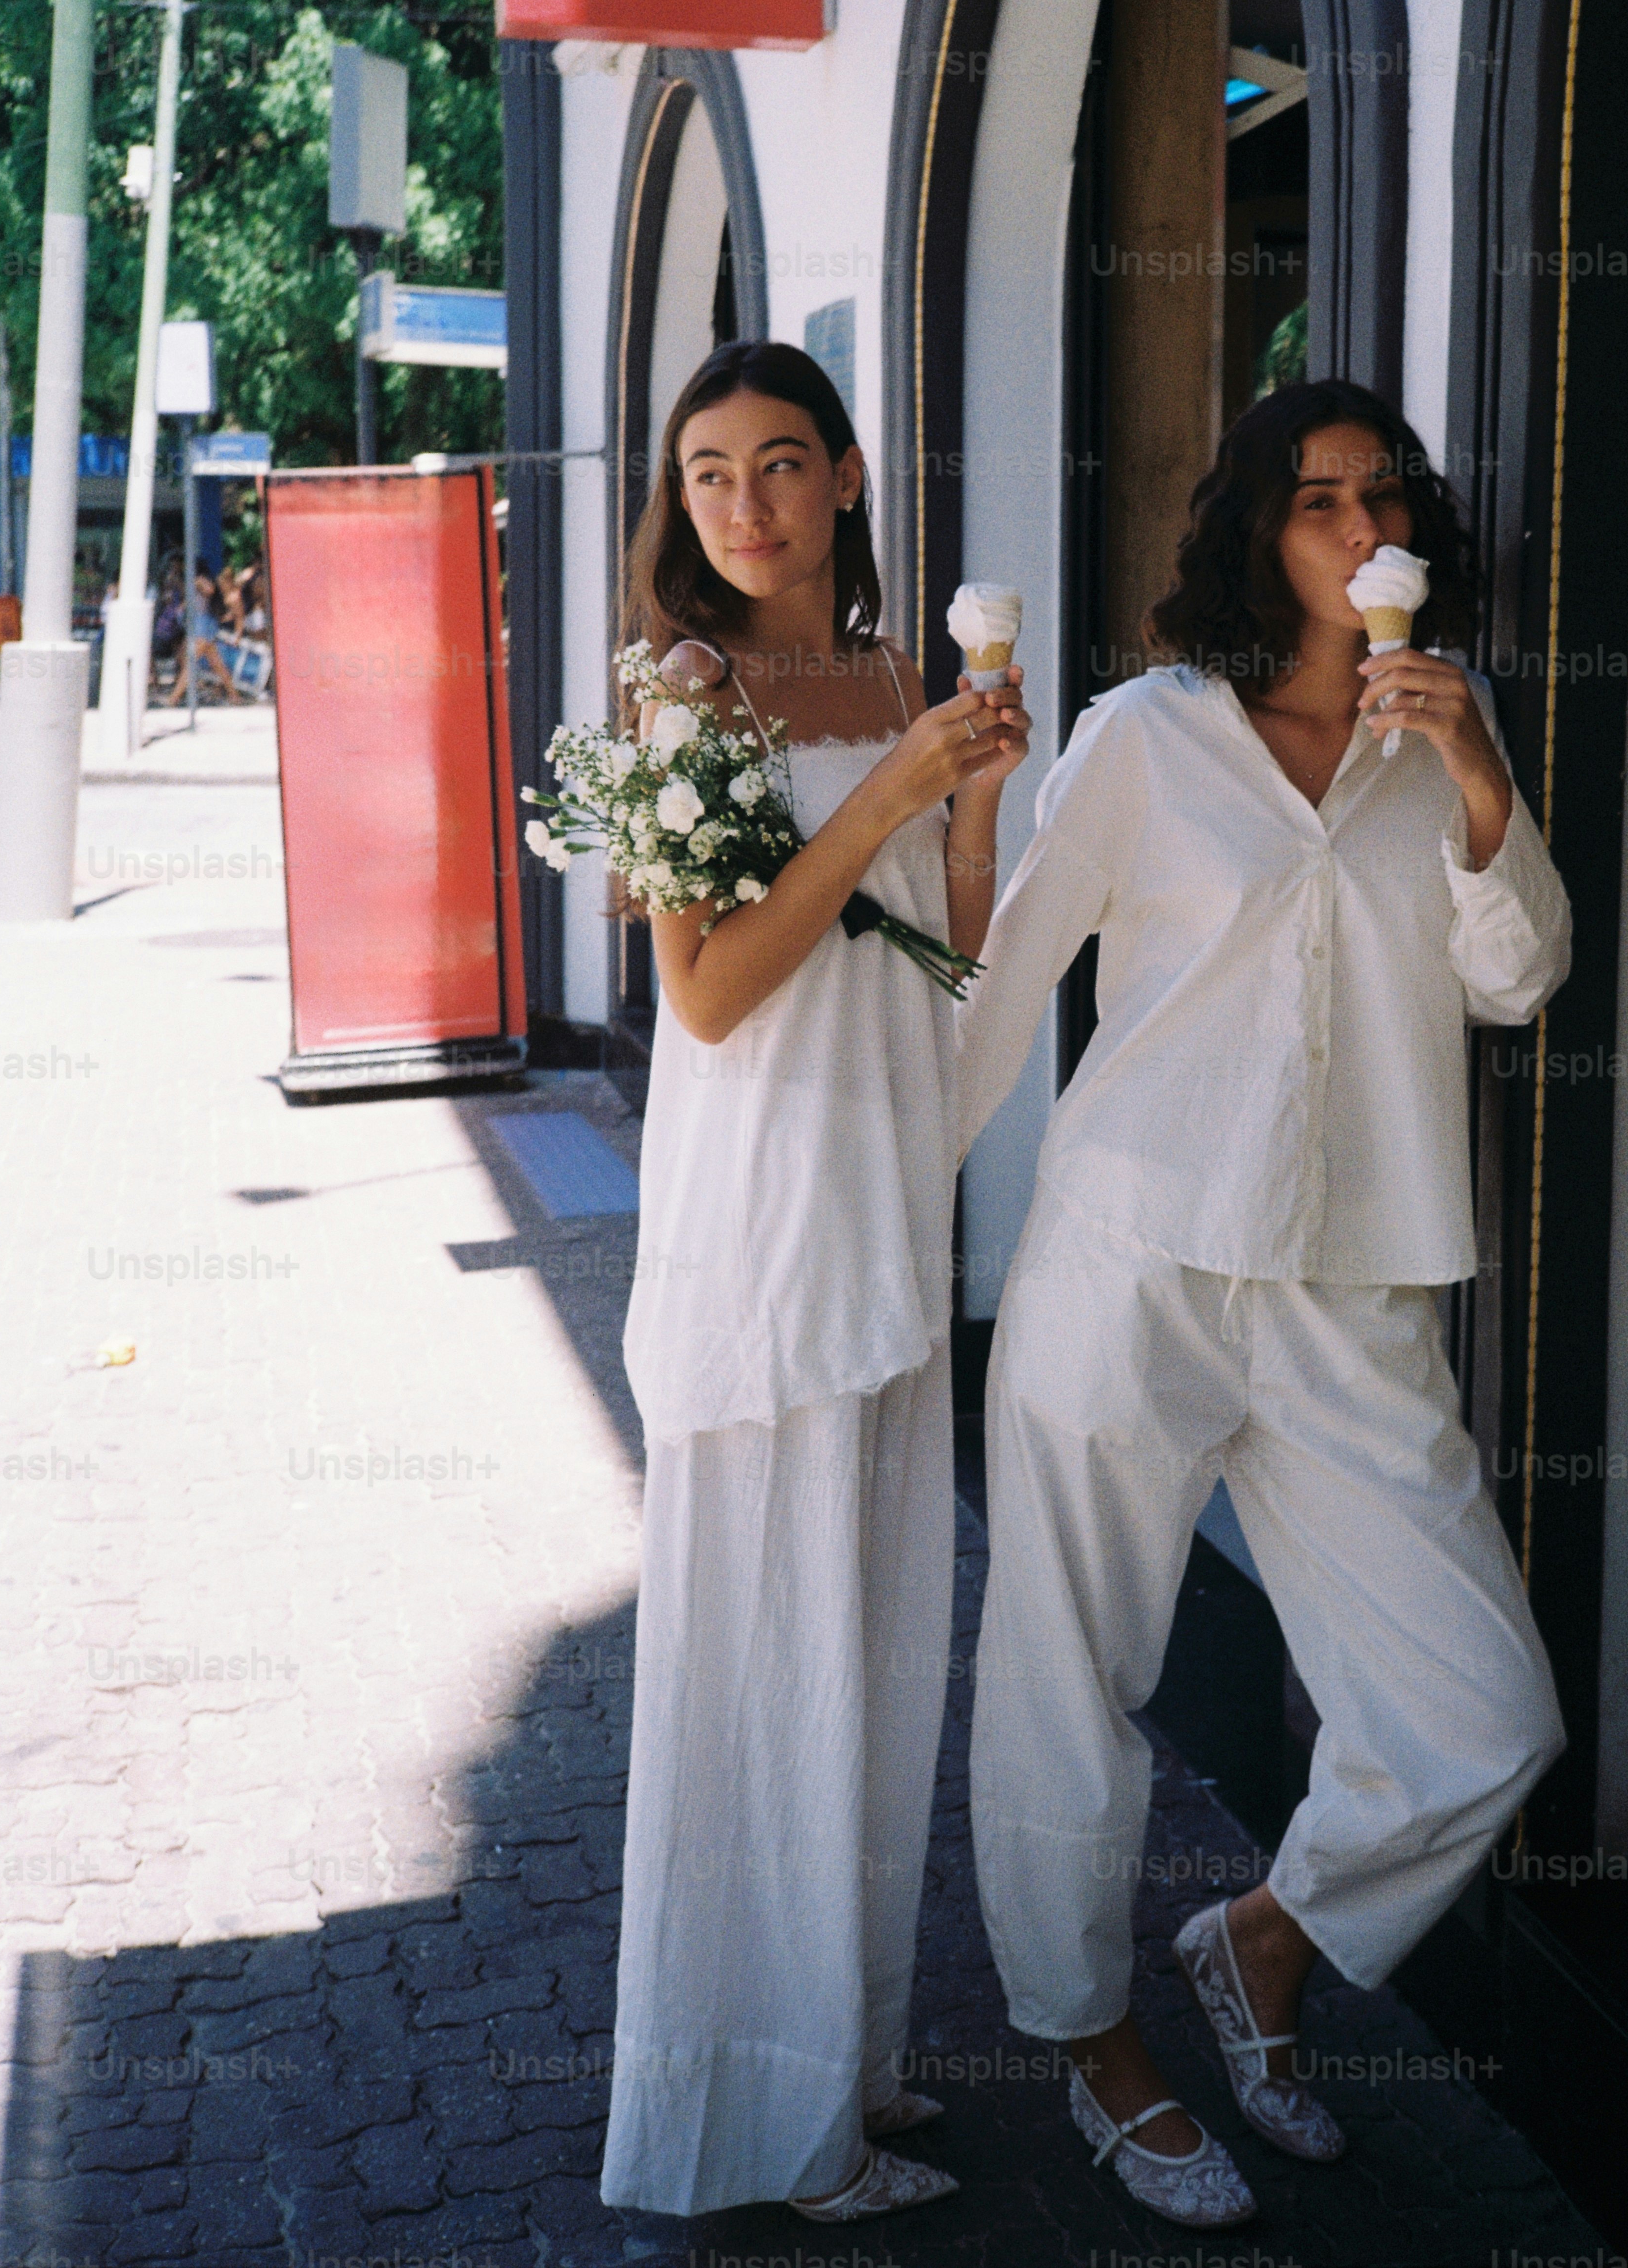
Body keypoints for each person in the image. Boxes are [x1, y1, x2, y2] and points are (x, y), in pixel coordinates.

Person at [958, 379, 1571, 2229]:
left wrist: (1474, 775)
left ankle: (1259, 1940)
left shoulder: (1431, 737)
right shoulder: (1146, 733)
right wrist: (877, 1214)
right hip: (1124, 1254)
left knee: (1482, 1709)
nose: (1350, 520)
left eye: (1376, 495)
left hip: (1353, 1282)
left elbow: (1517, 973)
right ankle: (1089, 2041)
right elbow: (1008, 971)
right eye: (1312, 498)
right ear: (1254, 531)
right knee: (1069, 1666)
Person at [599, 340, 1030, 2222]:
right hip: (760, 1219)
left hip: (876, 1197)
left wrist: (972, 798)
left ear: (847, 477)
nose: (745, 501)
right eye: (707, 472)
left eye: (781, 462)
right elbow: (701, 993)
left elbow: (936, 974)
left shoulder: (873, 677)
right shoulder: (682, 691)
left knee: (863, 1660)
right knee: (766, 1668)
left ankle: (841, 2063)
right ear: (677, 500)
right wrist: (887, 798)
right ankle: (755, 2124)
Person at [163, 560, 241, 706]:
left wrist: (197, 584)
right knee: (217, 663)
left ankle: (174, 698)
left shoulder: (199, 579)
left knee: (191, 662)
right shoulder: (195, 580)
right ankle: (234, 695)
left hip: (203, 624)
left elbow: (210, 590)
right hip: (203, 623)